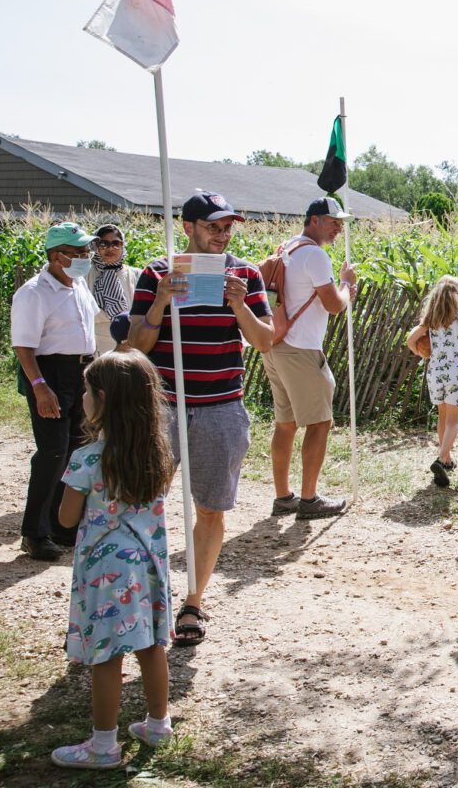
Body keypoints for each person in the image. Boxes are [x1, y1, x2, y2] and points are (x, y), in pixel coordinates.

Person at [128, 190, 274, 646]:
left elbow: (266, 341)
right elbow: (134, 346)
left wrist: (240, 306)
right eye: (213, 225)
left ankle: (193, 601)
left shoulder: (245, 274)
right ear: (188, 226)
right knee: (140, 503)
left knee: (210, 509)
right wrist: (159, 304)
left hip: (221, 408)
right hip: (161, 408)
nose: (223, 233)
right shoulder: (156, 273)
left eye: (228, 225)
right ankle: (141, 597)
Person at [50, 352, 173, 770]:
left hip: (107, 571)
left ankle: (103, 747)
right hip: (149, 567)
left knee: (107, 656)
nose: (83, 397)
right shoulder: (157, 455)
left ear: (100, 398)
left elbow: (66, 519)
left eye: (86, 390)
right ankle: (158, 724)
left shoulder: (86, 459)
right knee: (151, 647)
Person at [262, 197, 359, 519]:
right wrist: (347, 285)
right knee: (320, 422)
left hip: (275, 342)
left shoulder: (288, 248)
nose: (337, 228)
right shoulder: (315, 255)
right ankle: (309, 499)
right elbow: (334, 304)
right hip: (301, 348)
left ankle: (283, 496)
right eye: (333, 222)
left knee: (286, 423)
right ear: (315, 220)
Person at [11, 222, 98, 561]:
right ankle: (34, 532)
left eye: (85, 252)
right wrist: (40, 388)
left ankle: (62, 526)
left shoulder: (77, 286)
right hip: (50, 374)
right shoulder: (34, 292)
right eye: (77, 253)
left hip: (80, 373)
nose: (84, 258)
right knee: (52, 453)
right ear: (55, 255)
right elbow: (24, 347)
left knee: (77, 450)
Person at [407, 275, 458, 488]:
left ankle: (447, 459)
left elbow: (410, 340)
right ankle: (441, 458)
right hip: (456, 373)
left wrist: (422, 354)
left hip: (436, 372)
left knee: (442, 417)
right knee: (454, 421)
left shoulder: (430, 321)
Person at [86, 224, 138, 353]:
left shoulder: (136, 275)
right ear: (95, 246)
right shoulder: (84, 275)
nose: (110, 248)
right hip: (94, 345)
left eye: (116, 243)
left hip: (129, 344)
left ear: (123, 246)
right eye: (103, 244)